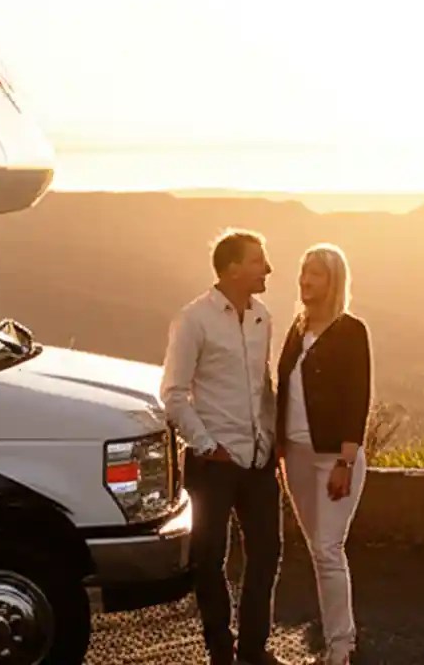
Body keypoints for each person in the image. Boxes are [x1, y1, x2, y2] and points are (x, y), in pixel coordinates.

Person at [160, 229, 284, 665]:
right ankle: (220, 649)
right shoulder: (193, 320)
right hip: (213, 461)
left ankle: (253, 649)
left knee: (266, 553)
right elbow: (173, 393)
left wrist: (271, 439)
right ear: (232, 269)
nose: (267, 269)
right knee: (209, 558)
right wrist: (207, 445)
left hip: (257, 458)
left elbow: (263, 385)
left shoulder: (263, 317)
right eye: (258, 261)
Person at [274, 243, 372, 665]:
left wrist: (345, 462)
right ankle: (337, 638)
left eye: (315, 273)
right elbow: (282, 389)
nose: (305, 280)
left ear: (334, 281)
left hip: (334, 457)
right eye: (303, 271)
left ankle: (341, 646)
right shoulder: (297, 328)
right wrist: (279, 448)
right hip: (295, 456)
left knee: (329, 549)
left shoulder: (351, 331)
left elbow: (357, 399)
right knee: (318, 550)